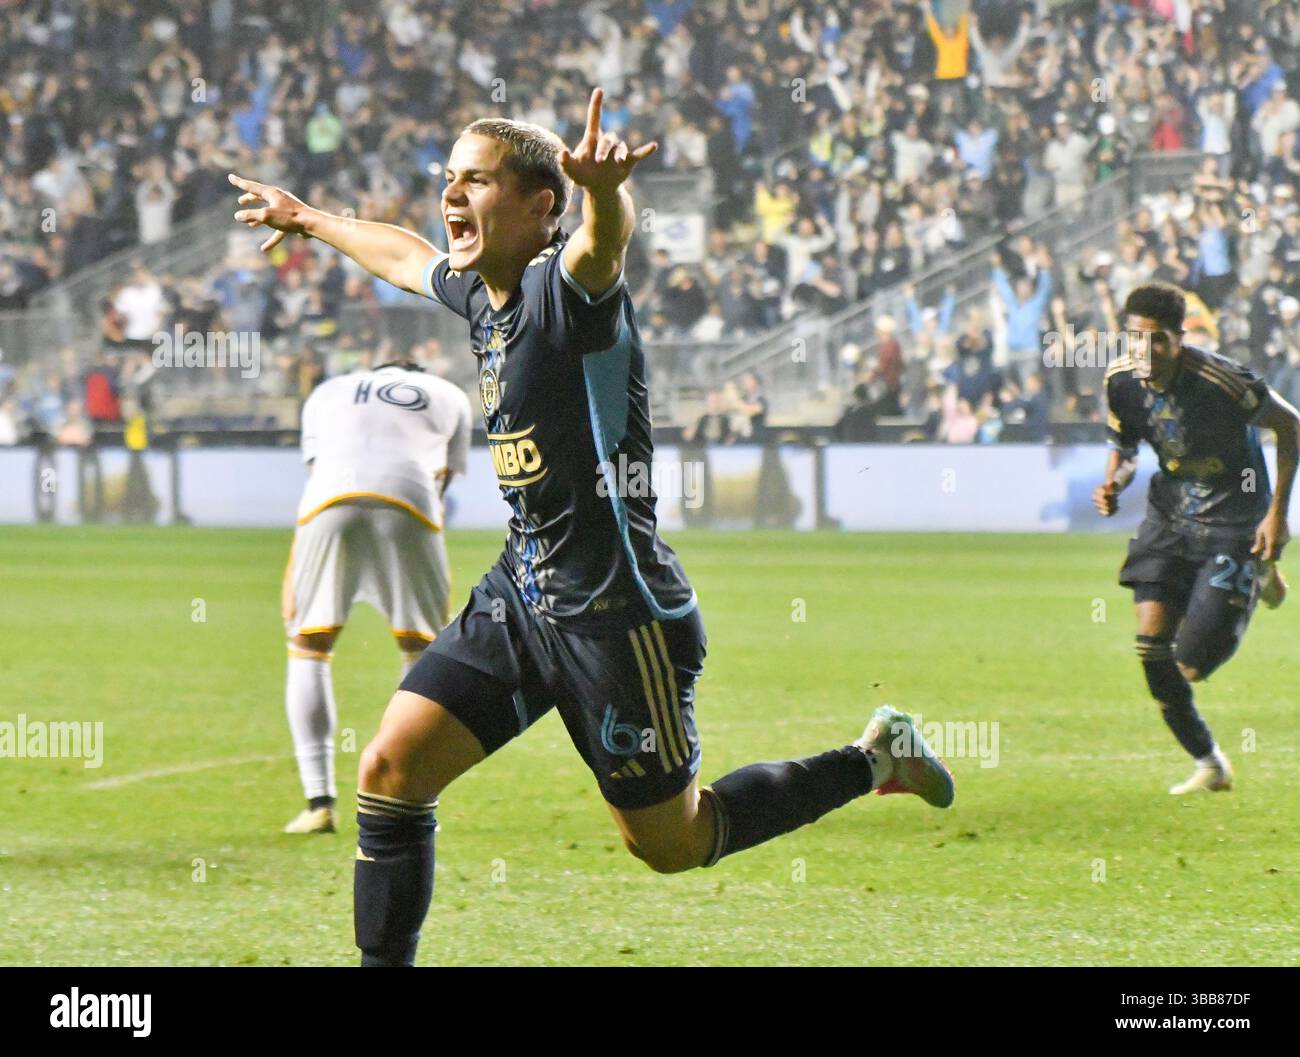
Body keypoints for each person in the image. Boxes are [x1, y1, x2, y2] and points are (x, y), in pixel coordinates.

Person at [231, 87, 955, 967]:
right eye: (449, 178)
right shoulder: (482, 294)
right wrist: (308, 218)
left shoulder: (563, 293)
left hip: (618, 611)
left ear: (542, 206)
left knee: (671, 842)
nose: (452, 195)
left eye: (477, 180)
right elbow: (403, 256)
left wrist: (605, 193)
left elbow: (602, 249)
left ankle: (876, 758)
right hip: (523, 591)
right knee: (390, 772)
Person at [1094, 283, 1298, 795]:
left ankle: (1260, 568)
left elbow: (1291, 426)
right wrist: (1114, 482)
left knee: (1189, 663)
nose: (1145, 350)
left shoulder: (1223, 382)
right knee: (1151, 649)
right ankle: (1210, 763)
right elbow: (1126, 446)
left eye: (1158, 340)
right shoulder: (1120, 381)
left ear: (1179, 340)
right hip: (1170, 516)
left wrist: (1277, 515)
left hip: (1235, 518)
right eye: (1136, 337)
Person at [279, 360, 472, 834]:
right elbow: (439, 485)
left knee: (309, 646)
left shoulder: (329, 389)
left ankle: (318, 802)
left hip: (327, 499)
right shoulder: (448, 393)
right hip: (410, 495)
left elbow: (322, 473)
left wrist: (293, 568)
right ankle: (405, 793)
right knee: (421, 649)